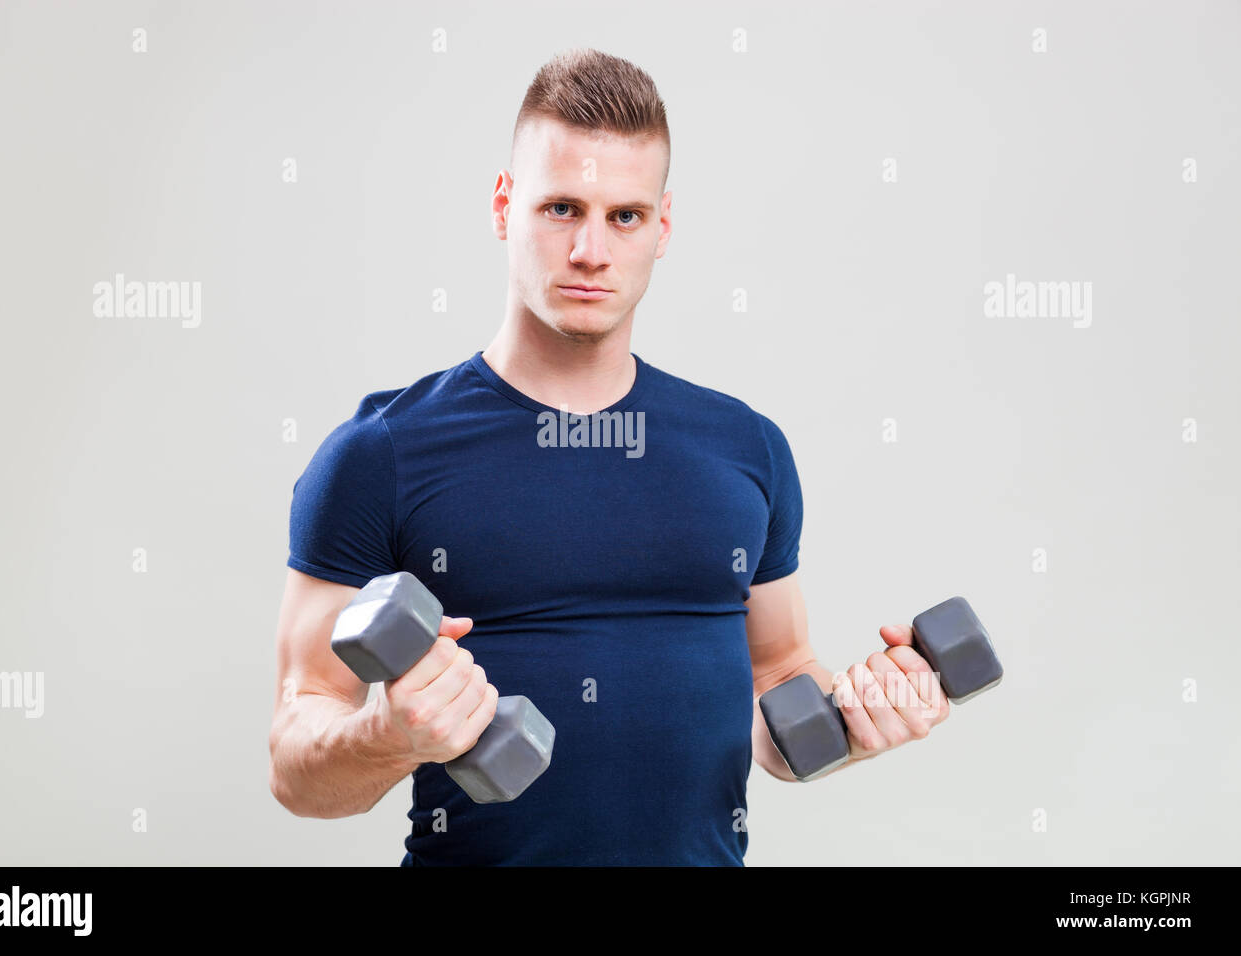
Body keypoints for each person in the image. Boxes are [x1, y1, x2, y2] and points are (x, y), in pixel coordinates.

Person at [267, 47, 948, 866]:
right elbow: (297, 769)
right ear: (503, 205)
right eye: (561, 209)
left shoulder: (746, 448)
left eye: (623, 216)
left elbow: (776, 686)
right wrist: (388, 734)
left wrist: (854, 724)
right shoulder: (381, 455)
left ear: (661, 228)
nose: (591, 250)